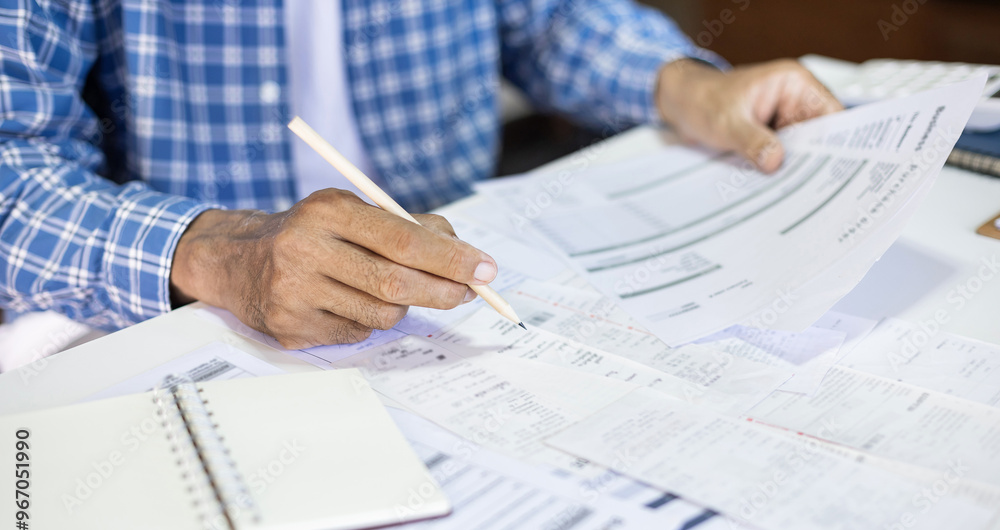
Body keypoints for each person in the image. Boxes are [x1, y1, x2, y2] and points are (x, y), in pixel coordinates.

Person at [0, 0, 841, 350]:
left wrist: (681, 83)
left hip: (440, 315)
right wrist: (221, 254)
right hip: (183, 320)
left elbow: (547, 19)